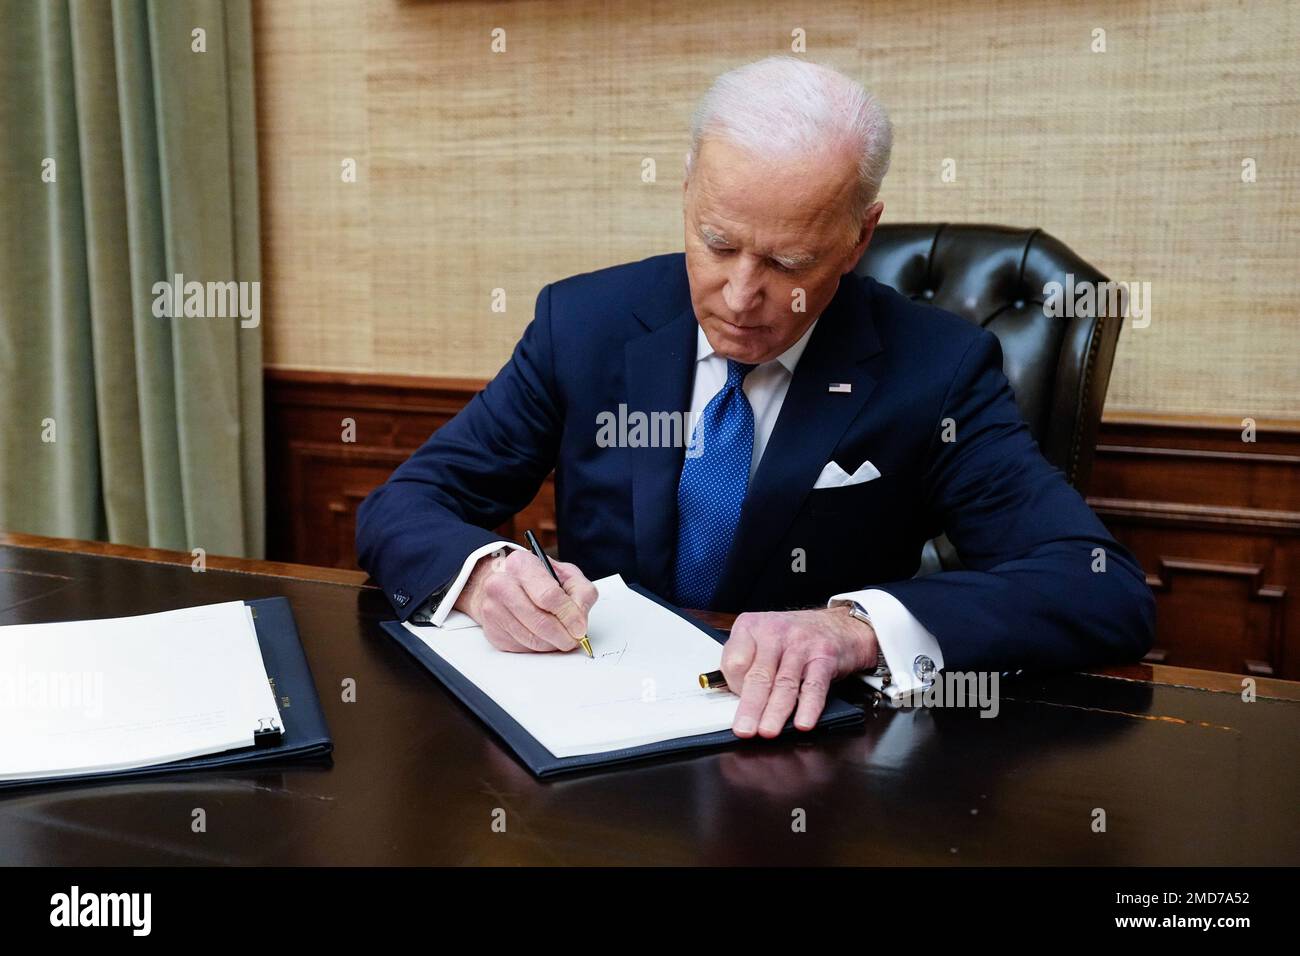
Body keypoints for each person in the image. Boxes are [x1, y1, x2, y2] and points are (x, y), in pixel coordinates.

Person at [357, 56, 1155, 740]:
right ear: (687, 194)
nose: (741, 295)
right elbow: (407, 504)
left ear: (859, 237)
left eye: (789, 261)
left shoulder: (936, 369)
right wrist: (486, 571)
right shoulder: (586, 325)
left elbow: (1098, 585)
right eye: (718, 243)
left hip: (811, 757)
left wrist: (857, 628)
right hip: (592, 735)